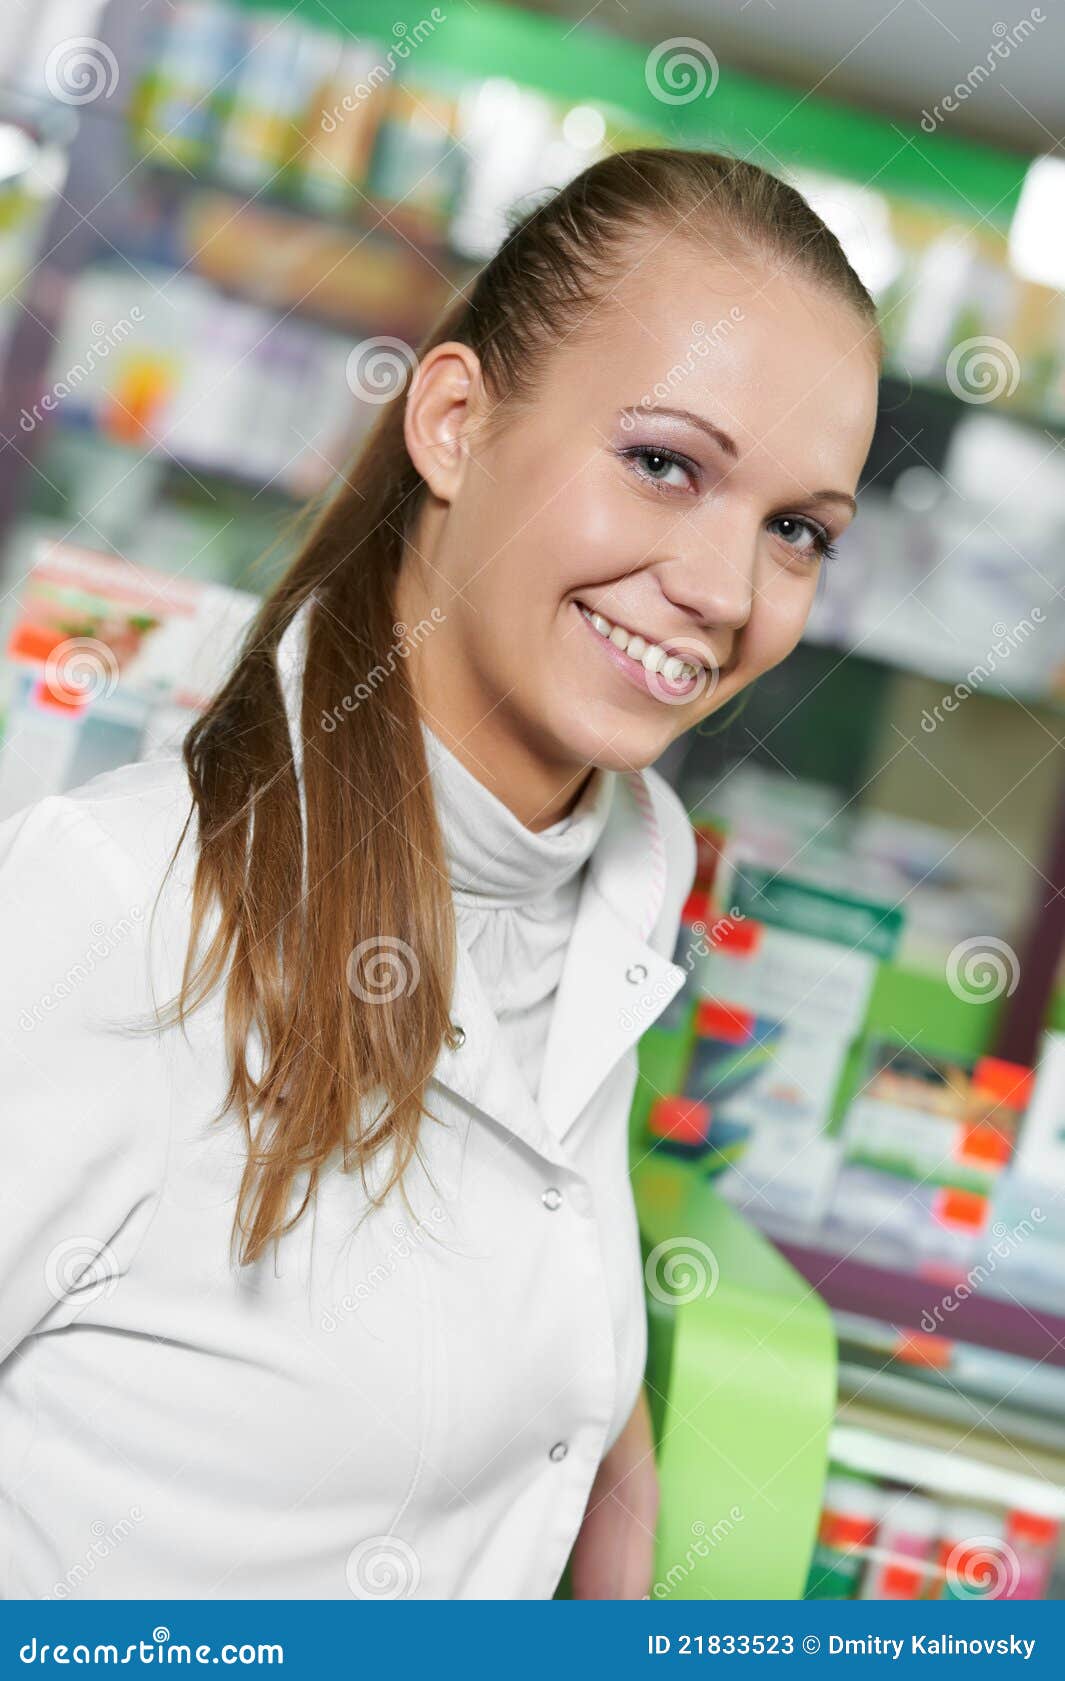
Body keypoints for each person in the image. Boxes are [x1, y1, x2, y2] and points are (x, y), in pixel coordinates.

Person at [0, 147, 880, 1600]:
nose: (726, 594)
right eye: (663, 464)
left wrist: (596, 1441)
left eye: (797, 531)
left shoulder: (609, 903)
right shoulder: (108, 911)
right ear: (458, 422)